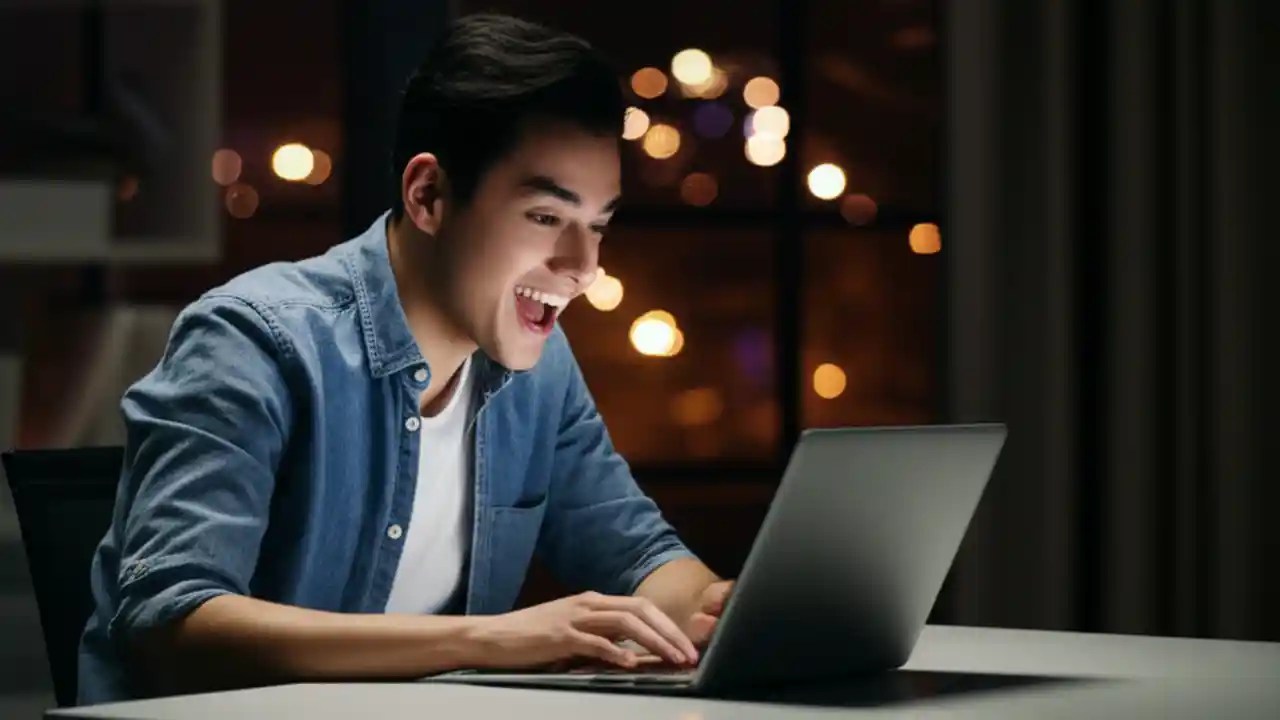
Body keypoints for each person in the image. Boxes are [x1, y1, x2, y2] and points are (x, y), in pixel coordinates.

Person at [77, 13, 733, 704]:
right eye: (545, 218)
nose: (583, 266)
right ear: (428, 196)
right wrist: (488, 640)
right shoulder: (253, 340)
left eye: (597, 225)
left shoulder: (539, 369)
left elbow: (639, 556)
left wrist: (724, 607)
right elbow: (171, 628)